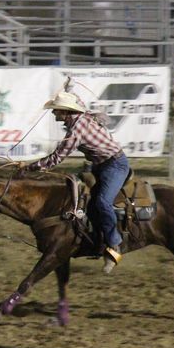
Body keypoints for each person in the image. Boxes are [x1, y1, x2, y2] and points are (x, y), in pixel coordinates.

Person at [23, 90, 129, 273]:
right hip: (101, 165)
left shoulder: (76, 131)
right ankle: (92, 240)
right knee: (83, 201)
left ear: (65, 111)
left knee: (102, 202)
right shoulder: (82, 116)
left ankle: (114, 245)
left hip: (115, 165)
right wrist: (68, 88)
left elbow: (56, 158)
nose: (54, 112)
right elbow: (77, 100)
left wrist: (30, 167)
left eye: (56, 110)